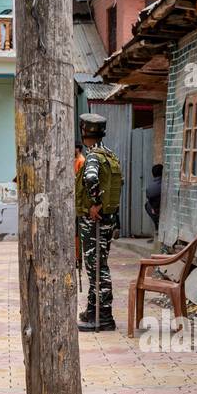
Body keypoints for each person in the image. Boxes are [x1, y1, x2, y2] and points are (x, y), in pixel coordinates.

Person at [75, 113, 123, 332]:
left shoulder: (93, 156)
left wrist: (94, 203)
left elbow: (91, 178)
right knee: (97, 264)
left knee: (96, 267)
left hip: (94, 221)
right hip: (107, 219)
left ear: (84, 133)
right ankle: (93, 310)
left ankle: (103, 316)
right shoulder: (110, 155)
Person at [144, 163, 163, 228]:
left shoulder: (149, 188)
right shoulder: (165, 184)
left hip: (156, 212)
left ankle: (157, 224)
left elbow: (150, 200)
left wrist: (153, 208)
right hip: (165, 211)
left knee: (147, 205)